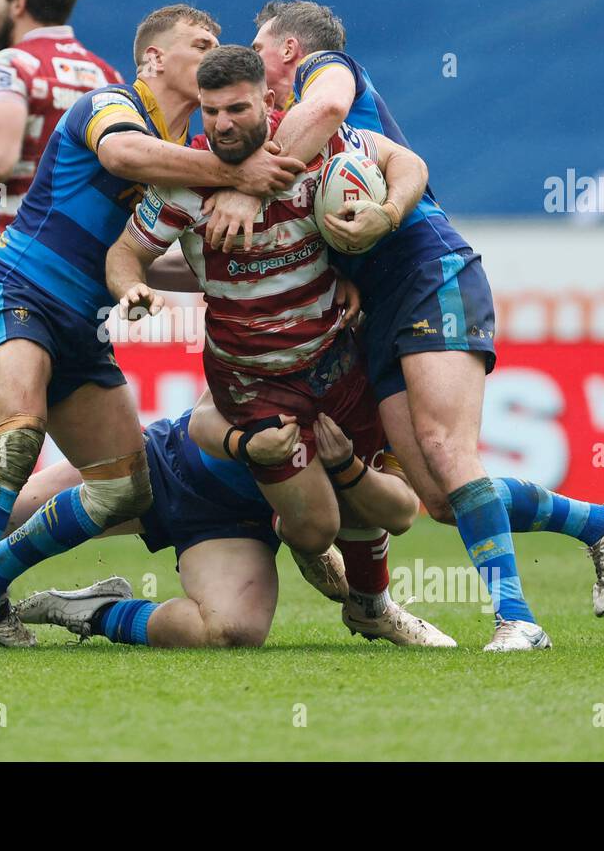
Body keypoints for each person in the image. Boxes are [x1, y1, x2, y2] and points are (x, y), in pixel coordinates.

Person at [206, 0, 604, 650]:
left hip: (427, 269)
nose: (253, 63)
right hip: (379, 305)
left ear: (291, 49)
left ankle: (517, 619)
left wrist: (256, 190)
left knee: (446, 447)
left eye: (259, 47)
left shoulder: (325, 74)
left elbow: (340, 119)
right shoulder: (273, 139)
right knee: (440, 497)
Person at [0, 4, 305, 654]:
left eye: (218, 44)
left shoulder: (191, 153)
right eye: (199, 43)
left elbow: (157, 252)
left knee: (123, 489)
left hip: (85, 329)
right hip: (21, 290)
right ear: (153, 58)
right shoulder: (110, 104)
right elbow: (121, 157)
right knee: (17, 449)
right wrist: (238, 178)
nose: (213, 51)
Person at [106, 44, 446, 644]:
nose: (221, 125)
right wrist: (131, 287)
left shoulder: (322, 156)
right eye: (210, 113)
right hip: (253, 385)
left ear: (268, 101)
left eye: (236, 109)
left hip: (336, 361)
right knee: (316, 531)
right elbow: (124, 252)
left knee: (393, 510)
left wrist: (387, 215)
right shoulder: (188, 180)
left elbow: (409, 163)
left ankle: (372, 606)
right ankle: (300, 530)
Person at [0, 404, 451, 649]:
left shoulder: (389, 403)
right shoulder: (284, 315)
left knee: (232, 633)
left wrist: (335, 564)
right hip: (174, 461)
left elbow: (383, 513)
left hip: (232, 524)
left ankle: (97, 611)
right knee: (23, 500)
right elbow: (208, 408)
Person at [0, 0, 123, 235]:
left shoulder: (13, 64)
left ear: (18, 3)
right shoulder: (109, 76)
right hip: (91, 253)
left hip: (27, 254)